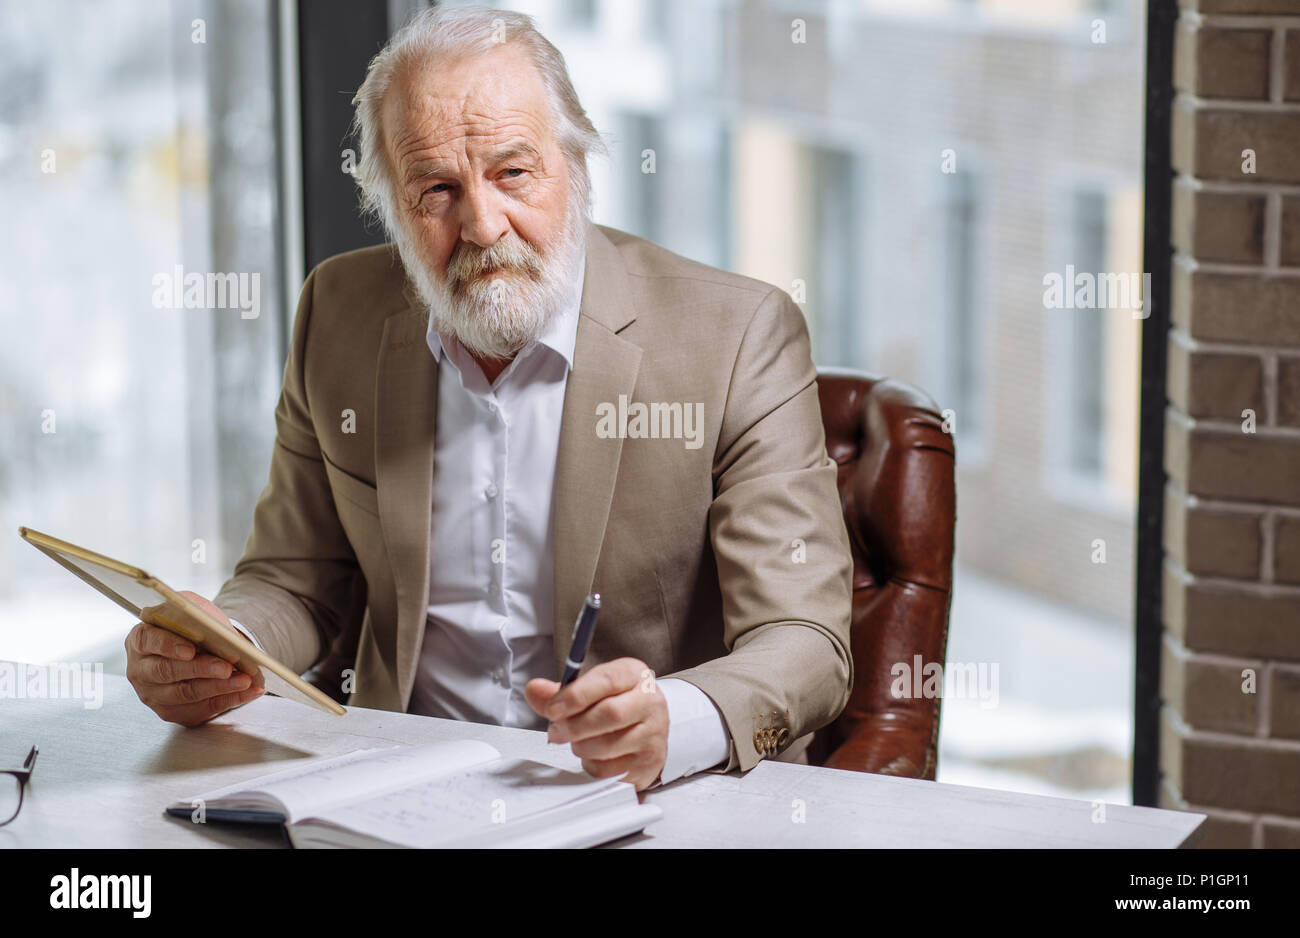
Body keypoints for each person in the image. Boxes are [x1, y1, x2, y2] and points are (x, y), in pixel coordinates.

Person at [125, 5, 852, 791]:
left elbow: (805, 639)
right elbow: (295, 580)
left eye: (512, 172)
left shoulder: (736, 335)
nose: (480, 223)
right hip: (393, 791)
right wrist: (218, 646)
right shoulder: (338, 311)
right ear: (390, 206)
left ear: (576, 166)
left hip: (647, 797)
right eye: (436, 189)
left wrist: (676, 722)